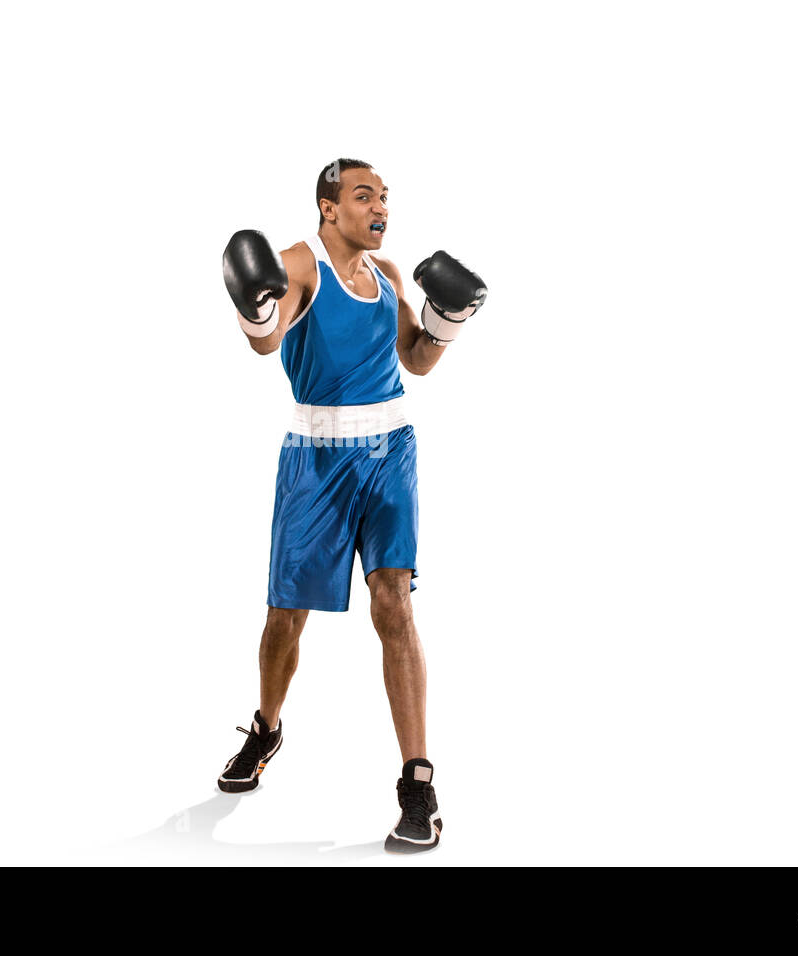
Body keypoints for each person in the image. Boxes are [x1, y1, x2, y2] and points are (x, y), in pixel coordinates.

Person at [217, 158, 486, 853]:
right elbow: (268, 341)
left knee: (394, 603)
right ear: (328, 207)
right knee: (286, 617)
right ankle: (267, 728)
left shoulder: (389, 275)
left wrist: (446, 322)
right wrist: (256, 308)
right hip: (315, 461)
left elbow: (417, 361)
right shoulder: (299, 264)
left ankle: (417, 783)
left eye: (386, 198)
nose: (381, 208)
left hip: (390, 450)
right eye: (365, 196)